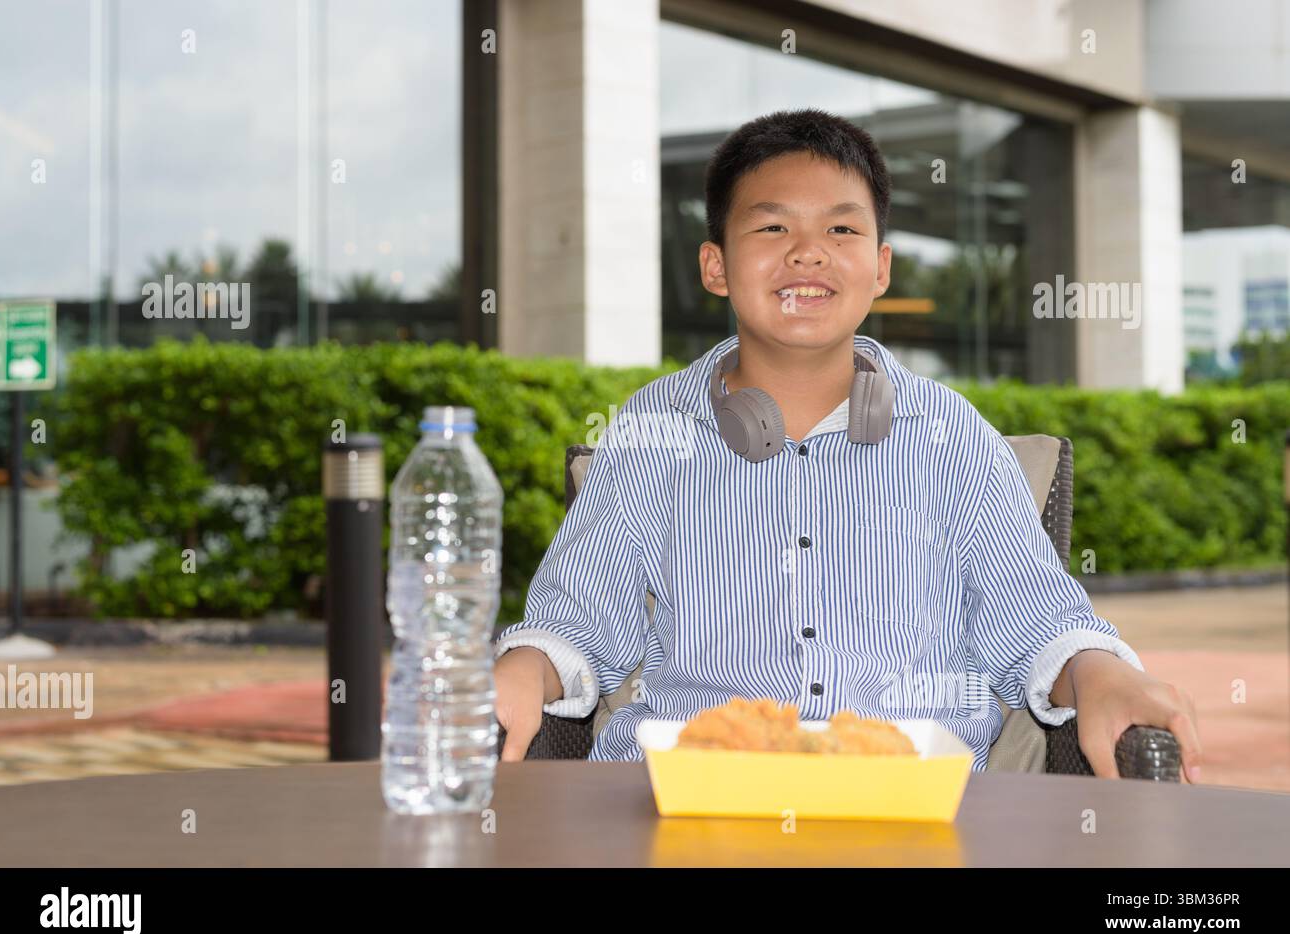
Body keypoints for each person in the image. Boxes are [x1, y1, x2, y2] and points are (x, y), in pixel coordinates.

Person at [493, 107, 1202, 780]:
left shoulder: (952, 436)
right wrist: (522, 666)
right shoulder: (653, 430)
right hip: (693, 799)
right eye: (771, 229)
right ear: (715, 265)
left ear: (882, 267)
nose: (808, 253)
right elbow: (576, 622)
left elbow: (1040, 619)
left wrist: (1102, 670)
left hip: (910, 810)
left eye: (841, 230)